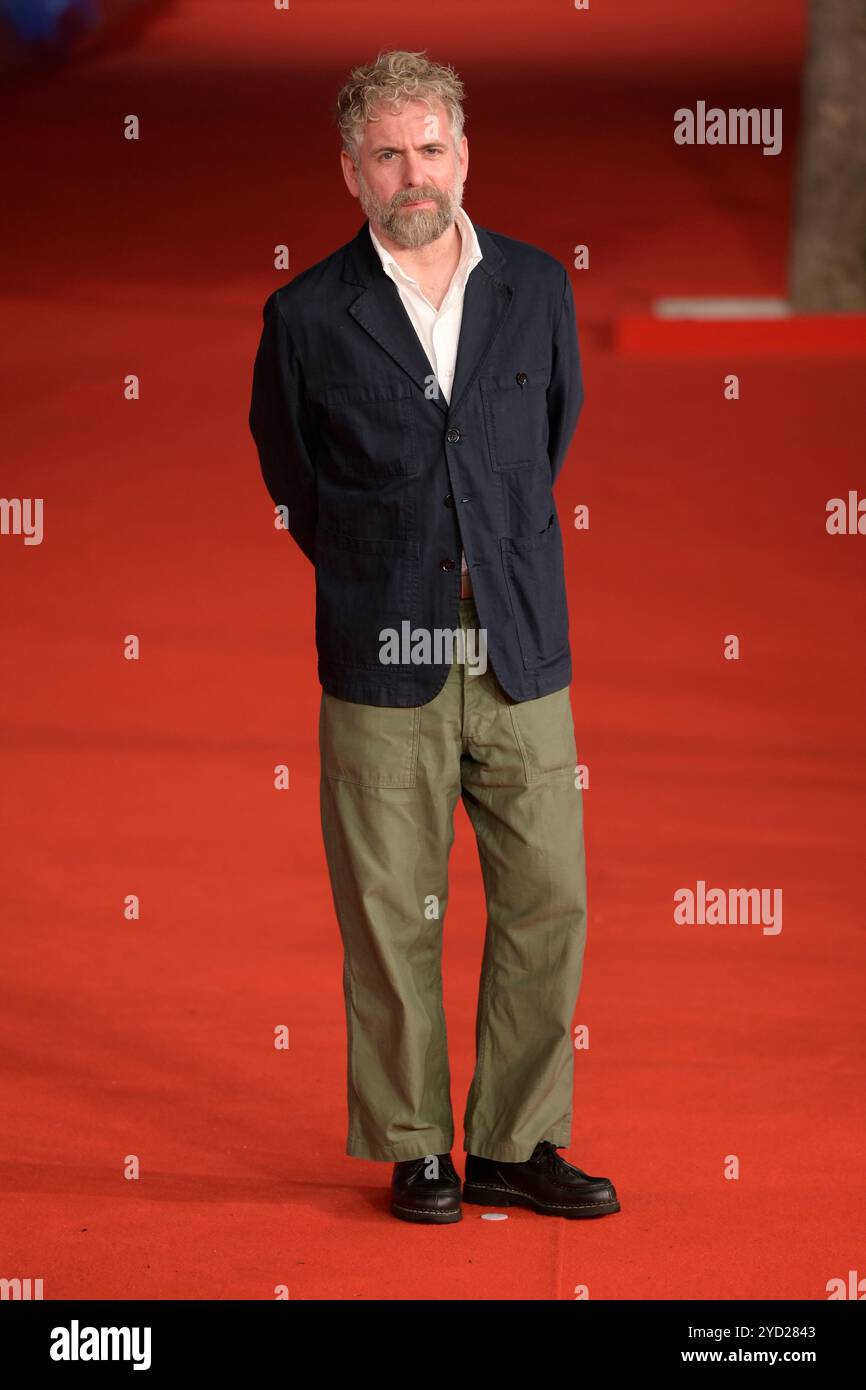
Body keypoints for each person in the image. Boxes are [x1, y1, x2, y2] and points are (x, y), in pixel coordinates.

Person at [249, 48, 619, 1225]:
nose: (415, 173)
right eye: (388, 153)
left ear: (465, 154)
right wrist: (386, 570)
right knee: (390, 907)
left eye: (433, 148)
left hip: (520, 645)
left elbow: (542, 439)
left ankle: (516, 1139)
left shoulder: (537, 287)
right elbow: (293, 476)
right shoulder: (305, 314)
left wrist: (482, 557)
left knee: (549, 896)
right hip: (379, 652)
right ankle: (414, 1147)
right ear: (350, 170)